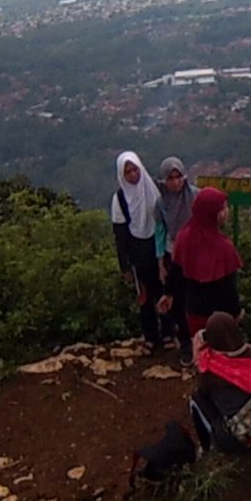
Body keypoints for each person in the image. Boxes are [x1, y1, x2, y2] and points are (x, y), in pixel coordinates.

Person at [188, 311, 251, 454]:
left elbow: (200, 386)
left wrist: (198, 351)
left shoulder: (210, 372)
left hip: (242, 441)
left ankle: (208, 447)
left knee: (196, 399)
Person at [110, 151, 166, 352]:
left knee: (164, 290)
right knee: (144, 296)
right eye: (128, 172)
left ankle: (169, 333)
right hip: (137, 252)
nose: (133, 175)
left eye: (135, 169)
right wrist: (124, 266)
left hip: (159, 247)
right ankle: (151, 337)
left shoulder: (154, 189)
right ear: (121, 175)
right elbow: (120, 235)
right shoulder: (120, 200)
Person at [171, 187, 242, 342]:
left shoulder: (183, 237)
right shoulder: (224, 247)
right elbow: (230, 287)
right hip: (221, 316)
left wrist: (168, 294)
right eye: (222, 209)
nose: (226, 212)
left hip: (193, 310)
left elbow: (176, 272)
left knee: (199, 347)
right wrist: (236, 313)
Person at [156, 156, 198, 356]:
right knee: (176, 300)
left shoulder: (195, 196)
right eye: (170, 178)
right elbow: (159, 232)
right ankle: (185, 342)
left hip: (195, 253)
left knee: (195, 297)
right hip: (172, 254)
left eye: (178, 177)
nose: (175, 182)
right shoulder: (161, 202)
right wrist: (160, 264)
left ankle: (199, 339)